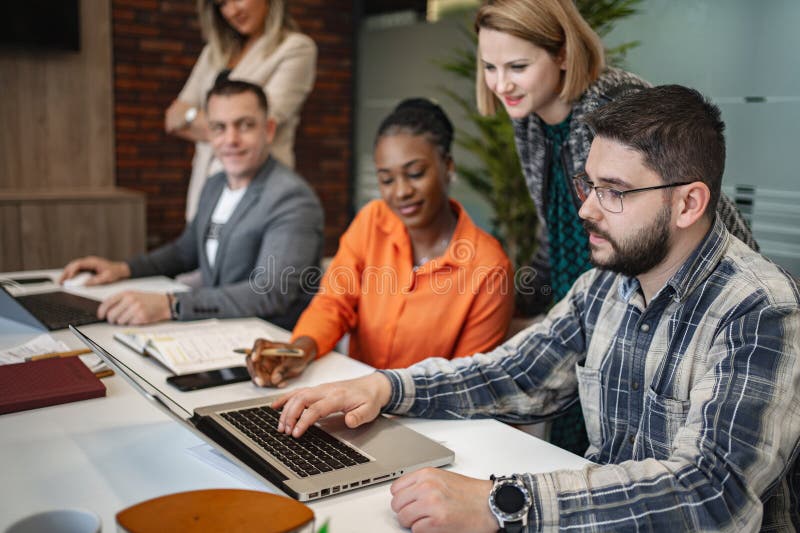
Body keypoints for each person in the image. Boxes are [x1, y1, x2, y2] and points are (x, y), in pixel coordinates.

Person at [271, 86, 800, 531]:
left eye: (614, 191)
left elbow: (709, 495)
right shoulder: (603, 287)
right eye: (588, 184)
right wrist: (386, 387)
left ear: (688, 203)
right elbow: (514, 374)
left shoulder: (759, 309)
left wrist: (500, 504)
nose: (586, 209)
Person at [474, 0, 759, 454]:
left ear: (563, 54)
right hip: (592, 300)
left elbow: (668, 230)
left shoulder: (612, 112)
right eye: (489, 66)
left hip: (676, 302)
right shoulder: (530, 119)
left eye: (518, 66)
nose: (501, 82)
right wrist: (501, 297)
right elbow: (558, 233)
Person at [246, 99, 515, 388]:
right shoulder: (372, 221)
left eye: (415, 174)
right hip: (355, 405)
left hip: (433, 421)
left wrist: (384, 396)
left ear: (448, 166)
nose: (401, 192)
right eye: (386, 179)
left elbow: (465, 383)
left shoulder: (489, 267)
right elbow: (334, 304)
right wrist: (297, 350)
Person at [60, 79, 323, 329]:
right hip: (217, 330)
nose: (231, 139)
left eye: (244, 125)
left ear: (269, 130)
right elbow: (185, 252)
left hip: (271, 343)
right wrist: (122, 269)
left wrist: (171, 304)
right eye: (219, 127)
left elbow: (270, 292)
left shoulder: (291, 198)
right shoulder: (215, 185)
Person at [166, 0, 316, 221]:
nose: (231, 11)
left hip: (257, 189)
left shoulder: (295, 48)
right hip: (204, 188)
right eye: (222, 4)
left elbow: (259, 125)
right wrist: (190, 116)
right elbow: (172, 118)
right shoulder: (214, 53)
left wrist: (193, 119)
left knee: (258, 254)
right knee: (204, 253)